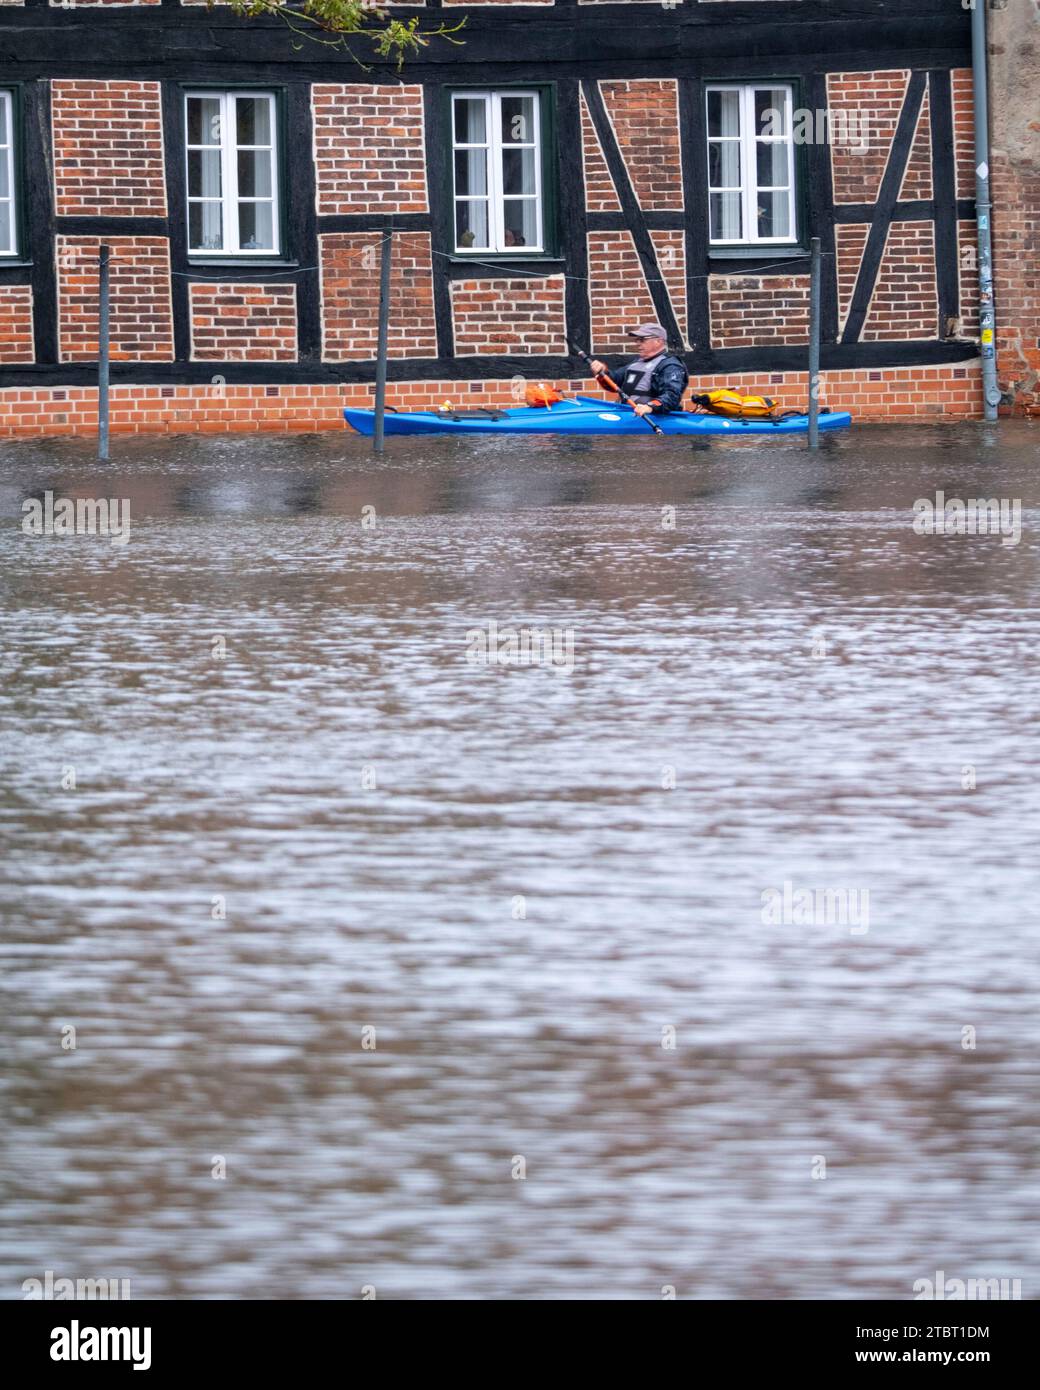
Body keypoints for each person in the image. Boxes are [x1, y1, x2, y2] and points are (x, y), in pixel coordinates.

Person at [590, 324, 689, 416]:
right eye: (637, 340)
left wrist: (650, 407)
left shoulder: (670, 366)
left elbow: (672, 396)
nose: (637, 343)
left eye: (642, 340)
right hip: (627, 416)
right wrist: (603, 371)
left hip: (652, 420)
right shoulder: (636, 363)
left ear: (659, 341)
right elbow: (614, 382)